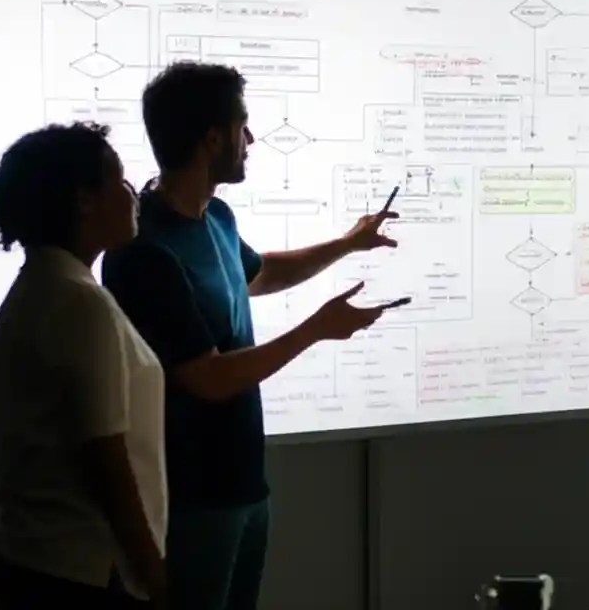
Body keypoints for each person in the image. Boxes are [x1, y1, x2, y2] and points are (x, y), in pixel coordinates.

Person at [101, 61, 402, 610]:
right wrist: (316, 330)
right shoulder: (143, 251)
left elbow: (263, 274)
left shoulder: (215, 216)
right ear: (211, 138)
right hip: (188, 500)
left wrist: (348, 243)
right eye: (243, 125)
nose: (251, 138)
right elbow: (207, 378)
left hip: (243, 487)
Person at [0, 122, 166, 608]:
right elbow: (105, 458)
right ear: (84, 200)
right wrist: (153, 573)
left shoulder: (42, 288)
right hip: (78, 573)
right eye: (121, 182)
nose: (132, 194)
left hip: (35, 561)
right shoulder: (78, 302)